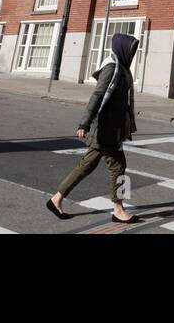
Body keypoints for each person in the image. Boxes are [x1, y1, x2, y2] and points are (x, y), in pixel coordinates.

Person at [47, 32, 140, 224]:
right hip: (105, 130)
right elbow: (97, 96)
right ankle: (118, 209)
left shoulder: (122, 68)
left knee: (86, 166)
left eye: (134, 50)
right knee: (119, 166)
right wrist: (84, 123)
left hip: (111, 129)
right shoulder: (112, 69)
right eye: (131, 49)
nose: (133, 53)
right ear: (122, 48)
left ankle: (56, 199)